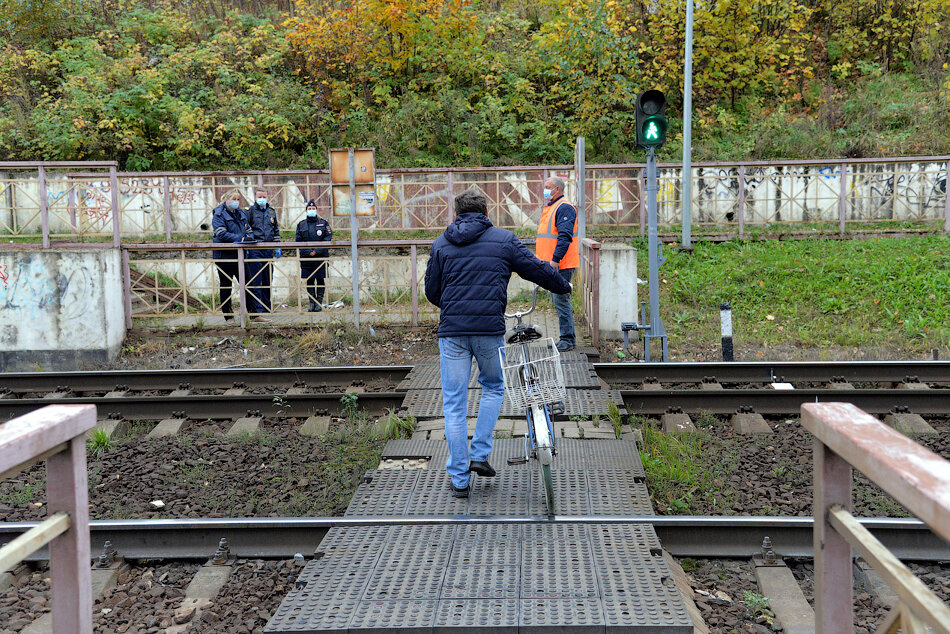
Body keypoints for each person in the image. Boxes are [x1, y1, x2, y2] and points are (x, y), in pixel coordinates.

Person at [424, 187, 572, 498]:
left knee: (453, 404)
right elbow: (536, 269)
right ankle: (479, 453)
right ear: (486, 213)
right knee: (493, 386)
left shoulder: (441, 244)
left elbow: (431, 292)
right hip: (489, 329)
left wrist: (454, 307)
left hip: (452, 332)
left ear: (456, 213)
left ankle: (460, 480)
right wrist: (562, 285)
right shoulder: (503, 240)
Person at [536, 176, 579, 351]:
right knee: (559, 301)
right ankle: (566, 338)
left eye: (548, 187)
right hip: (553, 264)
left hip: (561, 264)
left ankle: (567, 340)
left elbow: (564, 237)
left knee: (561, 301)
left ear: (557, 190)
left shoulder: (564, 208)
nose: (545, 190)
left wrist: (555, 260)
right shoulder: (553, 206)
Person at [211, 193, 253, 323]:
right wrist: (240, 239)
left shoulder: (240, 213)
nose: (236, 202)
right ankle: (228, 316)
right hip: (224, 256)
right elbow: (221, 233)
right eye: (233, 199)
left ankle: (254, 314)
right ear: (226, 199)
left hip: (239, 255)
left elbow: (248, 229)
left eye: (238, 199)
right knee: (226, 286)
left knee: (248, 284)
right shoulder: (219, 214)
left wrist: (249, 238)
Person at [247, 188, 281, 323]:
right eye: (259, 196)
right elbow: (247, 228)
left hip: (268, 249)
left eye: (264, 196)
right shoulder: (250, 211)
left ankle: (267, 306)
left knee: (268, 278)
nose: (262, 198)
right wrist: (249, 245)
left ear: (268, 197)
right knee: (256, 280)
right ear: (255, 197)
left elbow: (276, 230)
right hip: (255, 248)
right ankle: (257, 309)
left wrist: (277, 246)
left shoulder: (271, 211)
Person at [295, 199, 333, 312]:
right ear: (306, 210)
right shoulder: (300, 225)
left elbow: (328, 238)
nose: (311, 210)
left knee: (320, 280)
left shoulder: (324, 223)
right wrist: (308, 251)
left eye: (313, 209)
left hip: (320, 257)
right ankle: (312, 303)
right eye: (309, 209)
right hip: (307, 258)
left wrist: (316, 250)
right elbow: (298, 240)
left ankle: (318, 304)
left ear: (316, 210)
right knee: (310, 280)